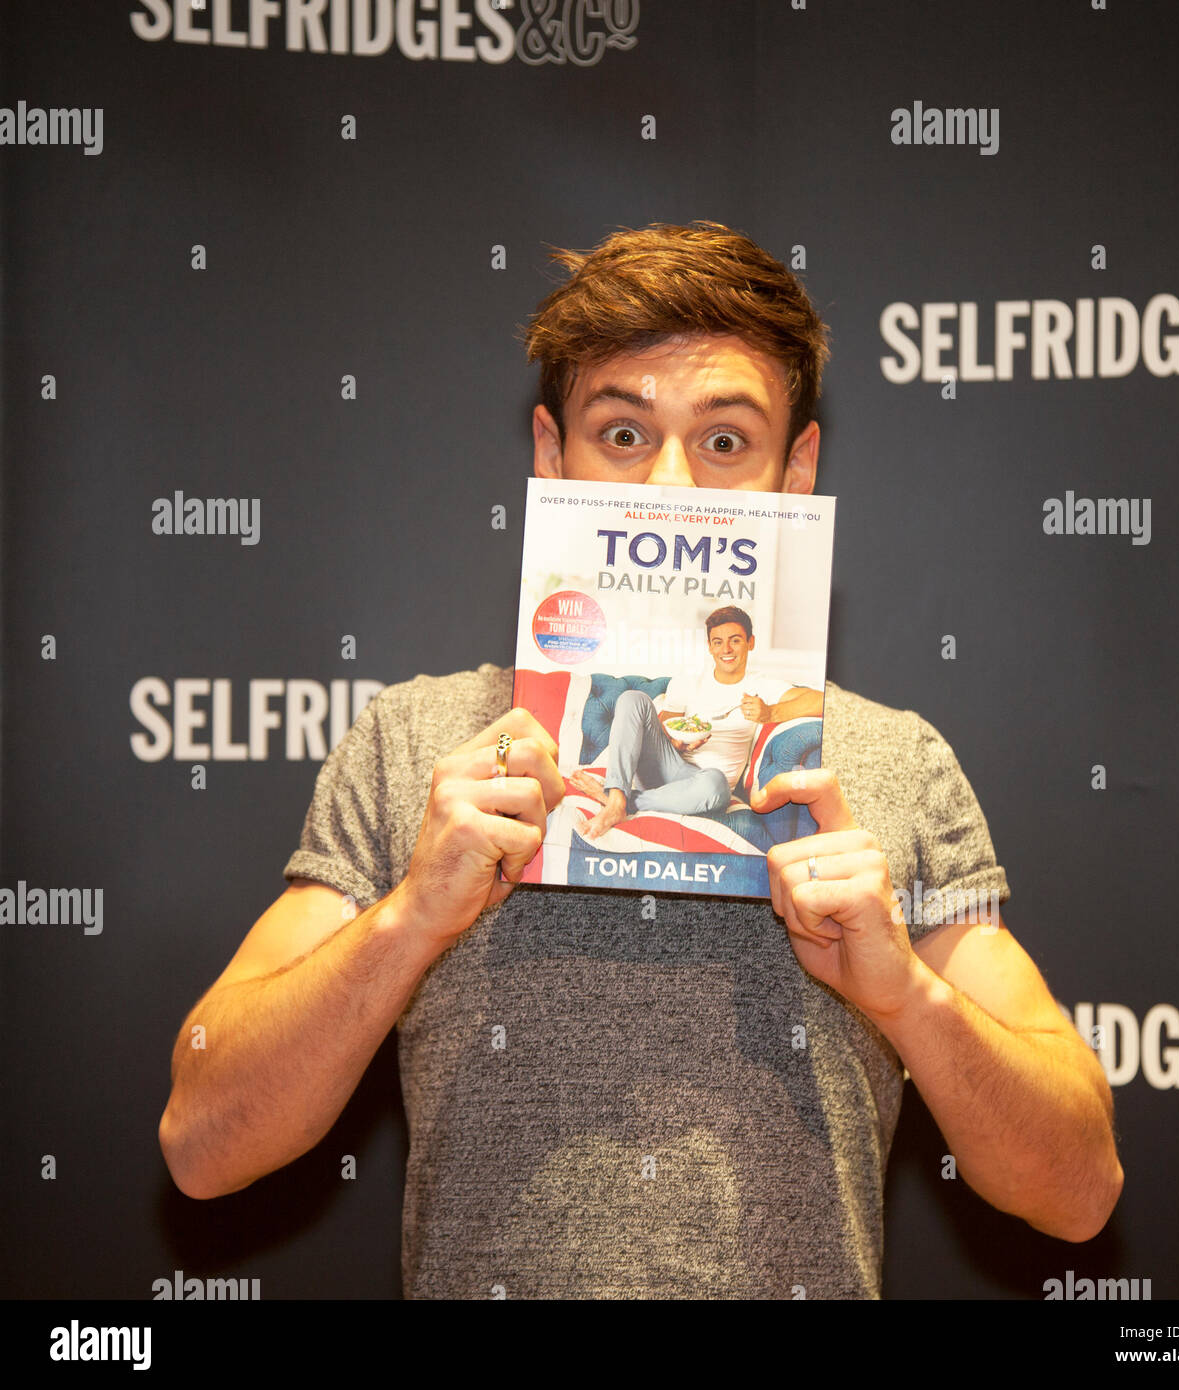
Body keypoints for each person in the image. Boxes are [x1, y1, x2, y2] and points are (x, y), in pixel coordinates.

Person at [158, 222, 1123, 1298]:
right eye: (622, 434)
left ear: (795, 470)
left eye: (723, 441)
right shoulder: (418, 745)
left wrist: (903, 994)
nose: (670, 484)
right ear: (547, 455)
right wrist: (412, 918)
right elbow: (202, 1143)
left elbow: (1079, 1186)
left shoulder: (894, 763)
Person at [571, 604, 824, 838]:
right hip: (669, 766)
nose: (726, 650)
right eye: (718, 642)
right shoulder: (688, 682)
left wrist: (770, 713)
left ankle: (625, 802)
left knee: (715, 782)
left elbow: (820, 700)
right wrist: (676, 742)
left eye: (735, 641)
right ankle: (616, 798)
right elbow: (664, 730)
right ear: (710, 646)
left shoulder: (761, 686)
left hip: (706, 786)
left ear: (750, 642)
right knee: (632, 698)